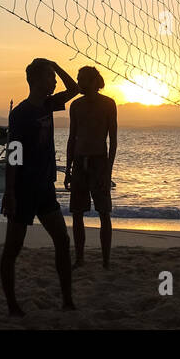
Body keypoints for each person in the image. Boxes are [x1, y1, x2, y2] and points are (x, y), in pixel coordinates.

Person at [0, 57, 80, 315]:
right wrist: (9, 193)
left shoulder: (49, 104)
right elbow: (13, 153)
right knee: (13, 249)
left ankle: (67, 300)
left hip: (45, 188)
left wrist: (55, 65)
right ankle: (12, 305)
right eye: (49, 77)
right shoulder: (21, 113)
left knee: (61, 239)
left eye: (53, 77)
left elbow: (74, 89)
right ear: (36, 80)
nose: (54, 81)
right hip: (23, 190)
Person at [65, 66, 117, 269]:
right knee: (77, 212)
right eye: (78, 79)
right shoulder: (76, 105)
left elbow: (113, 141)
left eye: (81, 79)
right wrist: (68, 169)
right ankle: (79, 258)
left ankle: (106, 261)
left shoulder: (109, 104)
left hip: (99, 162)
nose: (78, 83)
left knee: (104, 212)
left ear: (94, 81)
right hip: (79, 162)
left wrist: (108, 171)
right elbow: (71, 138)